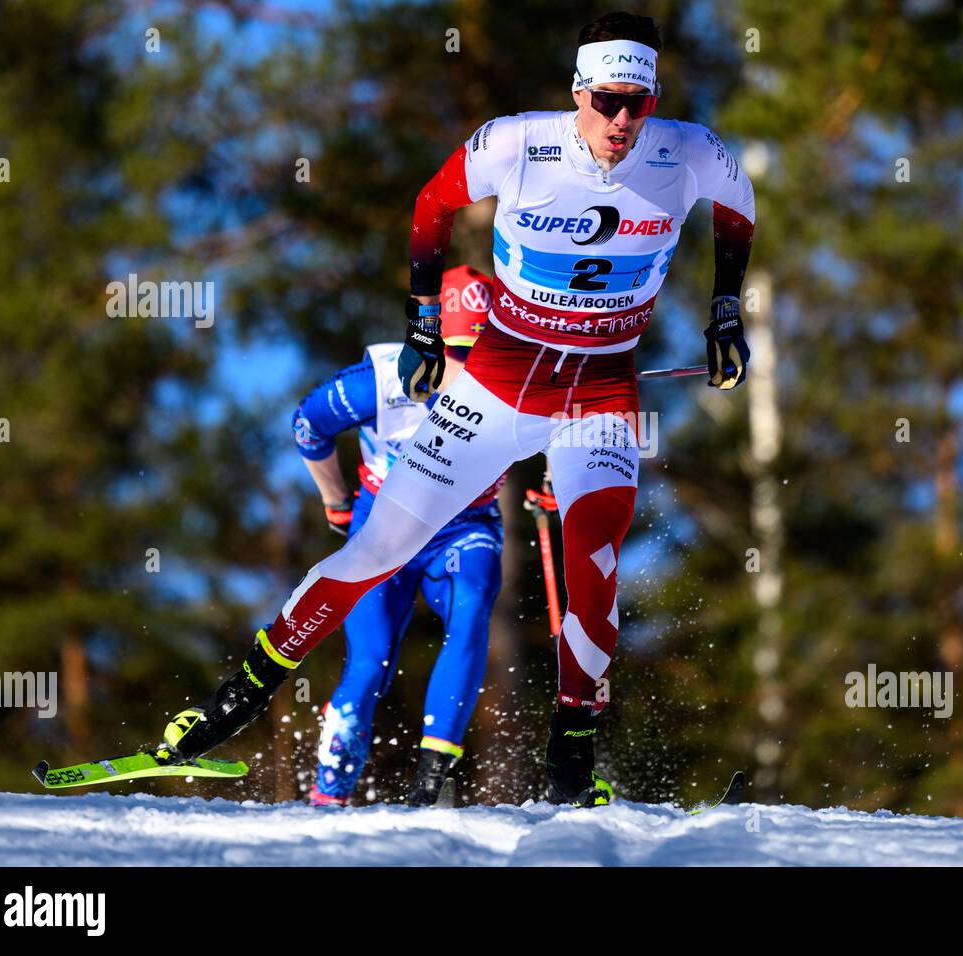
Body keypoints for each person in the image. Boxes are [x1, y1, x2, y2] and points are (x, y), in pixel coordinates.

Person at [154, 11, 755, 808]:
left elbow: (739, 210)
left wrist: (724, 311)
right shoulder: (516, 144)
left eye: (637, 105)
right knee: (377, 550)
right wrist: (422, 322)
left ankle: (571, 751)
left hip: (599, 396)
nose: (621, 121)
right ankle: (243, 692)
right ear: (578, 92)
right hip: (495, 388)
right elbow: (431, 206)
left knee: (593, 563)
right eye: (607, 101)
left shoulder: (690, 151)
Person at [291, 265, 504, 807]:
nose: (471, 371)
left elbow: (581, 420)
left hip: (463, 527)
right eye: (458, 353)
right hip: (381, 527)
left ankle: (432, 783)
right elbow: (308, 425)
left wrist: (555, 482)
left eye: (485, 354)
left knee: (473, 605)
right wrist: (336, 499)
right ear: (428, 341)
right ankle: (328, 796)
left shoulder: (520, 377)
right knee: (368, 660)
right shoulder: (381, 382)